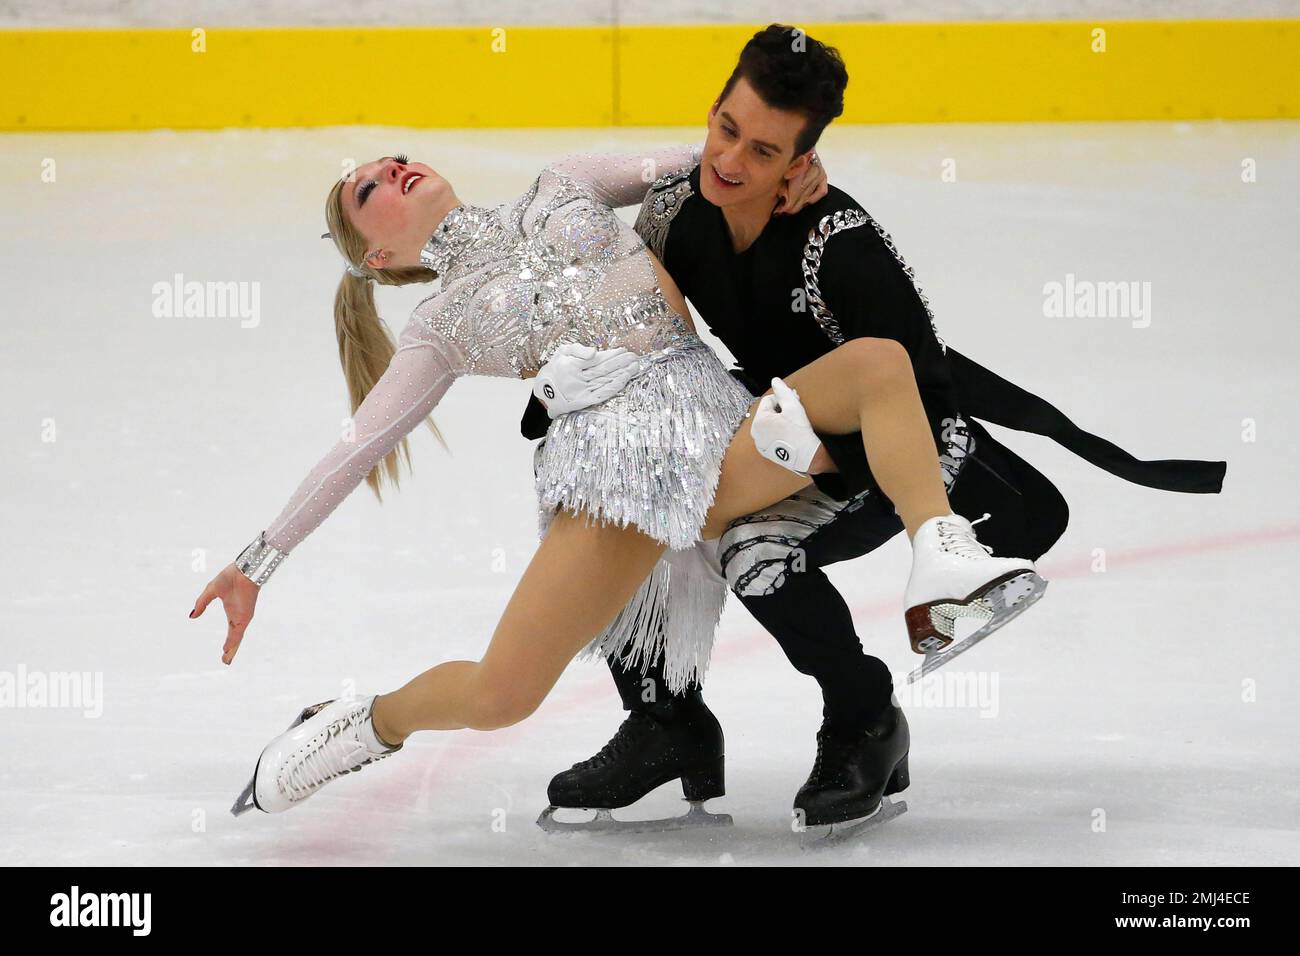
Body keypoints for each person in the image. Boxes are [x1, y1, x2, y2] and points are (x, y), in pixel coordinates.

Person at [190, 140, 1043, 818]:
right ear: (379, 255)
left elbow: (714, 159)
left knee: (876, 364)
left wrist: (792, 165)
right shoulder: (439, 324)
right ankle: (352, 725)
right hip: (618, 478)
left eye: (390, 158)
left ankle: (945, 567)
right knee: (501, 695)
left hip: (717, 433)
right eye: (367, 189)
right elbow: (356, 447)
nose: (390, 170)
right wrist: (255, 563)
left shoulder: (561, 183)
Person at [522, 23, 1228, 831]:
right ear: (712, 110)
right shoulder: (674, 213)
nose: (731, 162)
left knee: (757, 550)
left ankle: (865, 719)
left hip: (909, 447)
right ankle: (666, 722)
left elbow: (918, 393)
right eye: (726, 131)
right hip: (785, 425)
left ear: (801, 162)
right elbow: (602, 276)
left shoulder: (841, 246)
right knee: (619, 486)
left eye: (763, 153)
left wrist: (816, 463)